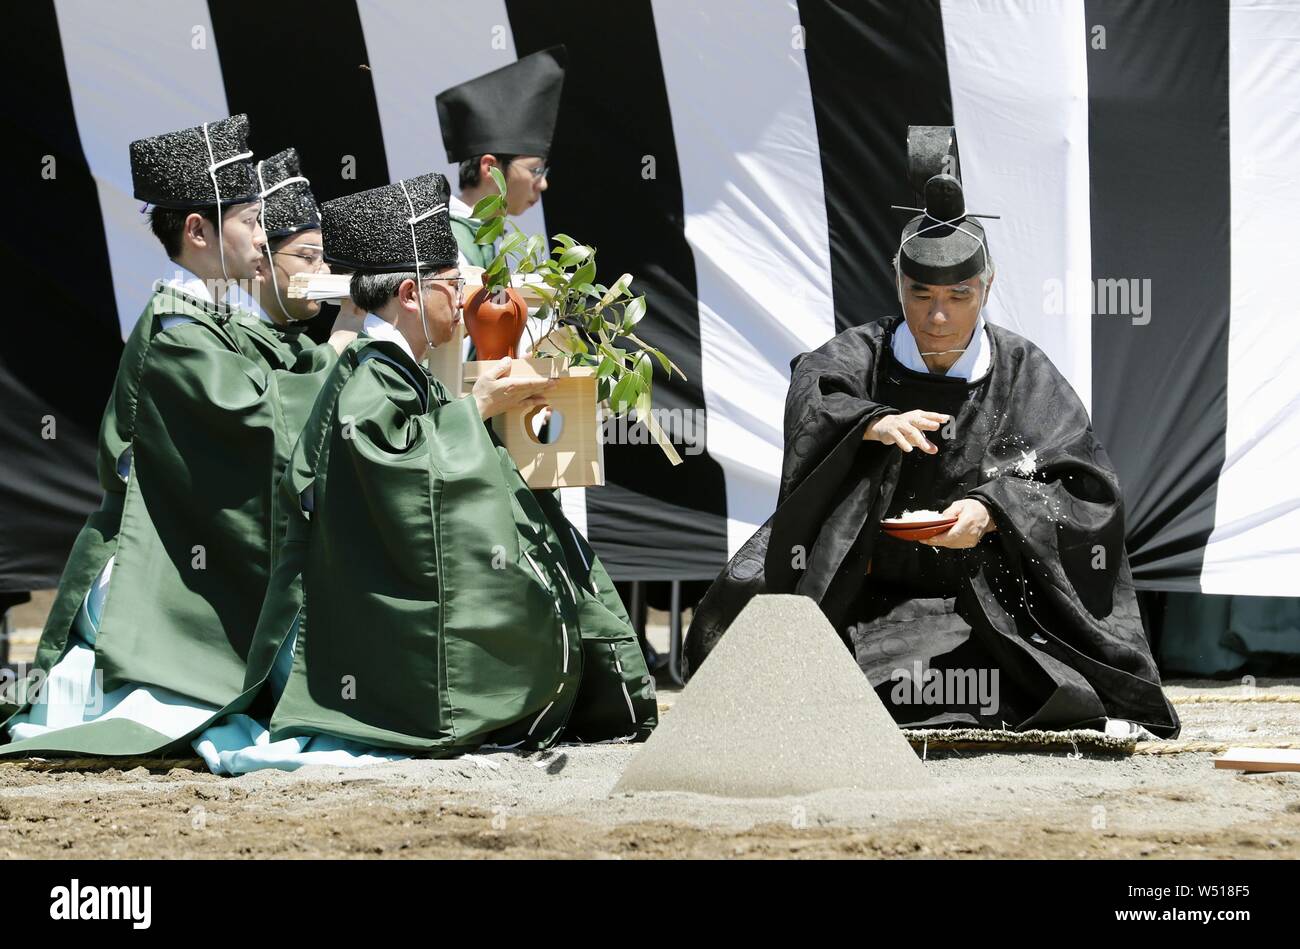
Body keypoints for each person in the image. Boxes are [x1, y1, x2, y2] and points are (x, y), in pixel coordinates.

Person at [684, 127, 1179, 739]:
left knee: (1032, 684)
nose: (938, 316)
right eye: (920, 294)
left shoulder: (1025, 372)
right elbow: (815, 400)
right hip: (863, 585)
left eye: (959, 296)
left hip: (988, 595)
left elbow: (1085, 489)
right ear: (897, 283)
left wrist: (993, 511)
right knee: (761, 663)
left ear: (987, 288)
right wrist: (869, 423)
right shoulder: (859, 356)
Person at [195, 172, 655, 772]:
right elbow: (396, 470)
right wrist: (478, 410)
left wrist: (483, 412)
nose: (461, 303)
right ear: (411, 295)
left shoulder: (397, 366)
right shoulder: (371, 373)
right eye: (449, 286)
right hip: (352, 610)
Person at [0, 116, 354, 757]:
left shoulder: (221, 318)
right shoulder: (176, 329)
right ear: (198, 231)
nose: (261, 236)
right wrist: (348, 348)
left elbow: (291, 378)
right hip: (154, 566)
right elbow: (260, 426)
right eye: (249, 220)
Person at [436, 45, 565, 271]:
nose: (543, 184)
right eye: (535, 171)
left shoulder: (485, 235)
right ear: (490, 168)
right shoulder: (445, 245)